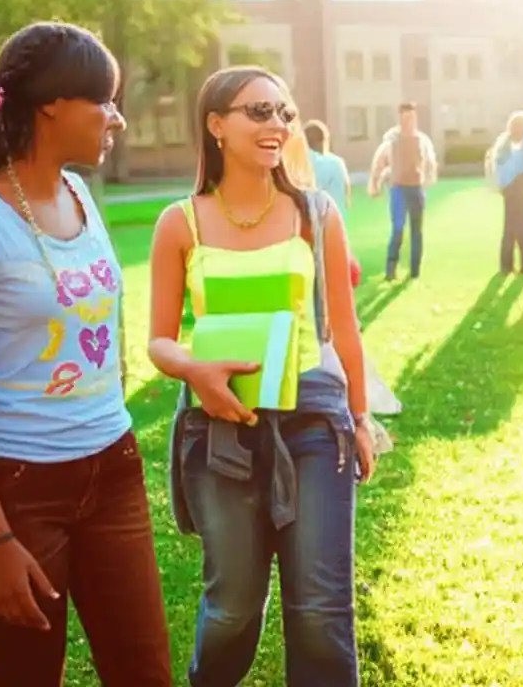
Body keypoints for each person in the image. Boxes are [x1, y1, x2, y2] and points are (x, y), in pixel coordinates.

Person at [0, 22, 171, 685]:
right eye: (105, 101)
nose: (116, 118)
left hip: (112, 470)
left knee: (144, 671)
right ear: (53, 106)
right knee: (30, 675)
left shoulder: (79, 194)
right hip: (19, 490)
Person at [149, 66, 377, 685]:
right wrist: (195, 371)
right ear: (216, 125)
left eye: (283, 112)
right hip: (219, 428)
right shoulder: (181, 222)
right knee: (231, 610)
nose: (275, 124)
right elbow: (159, 341)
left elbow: (346, 331)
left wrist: (359, 416)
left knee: (322, 613)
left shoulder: (317, 213)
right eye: (258, 111)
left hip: (312, 421)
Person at [368, 102, 437, 280]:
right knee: (398, 228)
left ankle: (415, 271)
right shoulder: (391, 139)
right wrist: (374, 183)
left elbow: (430, 161)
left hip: (416, 189)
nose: (409, 121)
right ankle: (391, 268)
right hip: (398, 189)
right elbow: (379, 161)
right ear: (400, 118)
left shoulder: (422, 140)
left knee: (417, 230)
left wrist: (429, 178)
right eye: (405, 117)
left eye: (411, 117)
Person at [491, 110, 523, 274]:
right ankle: (508, 264)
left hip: (521, 186)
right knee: (512, 227)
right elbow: (499, 166)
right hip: (511, 188)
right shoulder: (505, 143)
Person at [304, 119, 351, 212]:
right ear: (323, 141)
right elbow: (346, 191)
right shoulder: (335, 163)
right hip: (333, 216)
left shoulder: (295, 162)